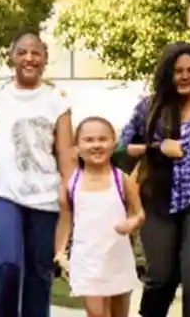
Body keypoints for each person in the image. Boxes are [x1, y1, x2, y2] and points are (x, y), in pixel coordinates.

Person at [119, 41, 190, 317]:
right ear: (168, 73)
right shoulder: (148, 108)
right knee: (161, 274)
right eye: (178, 70)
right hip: (158, 196)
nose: (185, 76)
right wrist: (157, 147)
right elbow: (122, 149)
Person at [0, 29, 76, 317]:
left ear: (44, 60)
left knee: (39, 274)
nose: (29, 58)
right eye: (22, 52)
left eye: (36, 53)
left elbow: (66, 151)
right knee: (7, 265)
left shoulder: (58, 100)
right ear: (11, 58)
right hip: (5, 194)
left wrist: (70, 189)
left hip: (46, 197)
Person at [54, 116, 143, 317]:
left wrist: (132, 223)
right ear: (77, 147)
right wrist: (60, 252)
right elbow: (65, 220)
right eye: (89, 140)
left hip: (117, 260)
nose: (96, 145)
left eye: (102, 139)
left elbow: (138, 213)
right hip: (86, 261)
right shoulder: (71, 184)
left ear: (113, 144)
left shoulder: (122, 180)